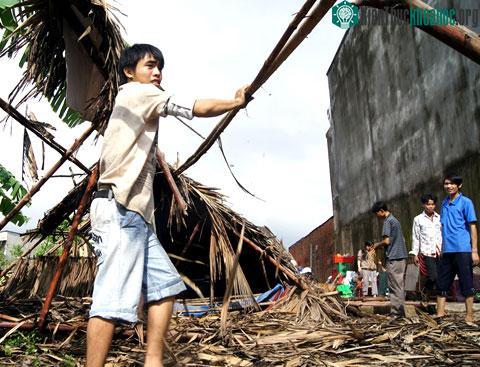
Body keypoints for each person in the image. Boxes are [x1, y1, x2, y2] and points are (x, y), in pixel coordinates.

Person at [86, 44, 250, 367]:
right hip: (119, 210)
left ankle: (154, 362)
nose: (157, 72)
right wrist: (235, 101)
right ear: (129, 72)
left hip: (136, 217)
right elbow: (195, 108)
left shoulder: (138, 106)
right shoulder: (137, 92)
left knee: (164, 287)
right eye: (150, 65)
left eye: (160, 67)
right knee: (110, 302)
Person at [436, 174, 479, 323]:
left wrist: (474, 251)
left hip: (462, 249)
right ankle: (440, 315)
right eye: (447, 183)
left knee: (466, 283)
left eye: (453, 184)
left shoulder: (466, 202)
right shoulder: (444, 204)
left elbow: (472, 227)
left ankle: (469, 316)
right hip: (447, 250)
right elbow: (443, 228)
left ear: (459, 185)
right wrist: (442, 248)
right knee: (442, 284)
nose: (449, 186)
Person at [372, 201, 408, 317]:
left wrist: (377, 245)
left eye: (377, 213)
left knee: (393, 286)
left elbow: (387, 241)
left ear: (381, 211)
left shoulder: (388, 222)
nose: (377, 216)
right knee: (399, 285)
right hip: (401, 257)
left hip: (393, 257)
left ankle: (397, 312)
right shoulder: (395, 221)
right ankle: (400, 311)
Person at [410, 194, 442, 299]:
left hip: (440, 252)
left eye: (432, 204)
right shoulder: (418, 219)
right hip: (427, 252)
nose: (430, 207)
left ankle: (431, 299)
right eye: (428, 204)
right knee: (433, 277)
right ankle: (424, 291)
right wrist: (415, 254)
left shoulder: (439, 218)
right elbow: (416, 237)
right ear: (424, 205)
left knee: (440, 278)